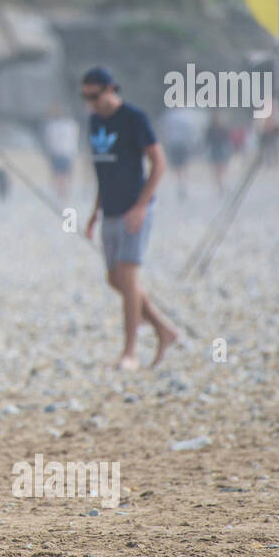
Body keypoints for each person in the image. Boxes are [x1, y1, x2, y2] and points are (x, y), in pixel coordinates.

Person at [81, 67, 179, 370]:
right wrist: (94, 212)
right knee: (115, 279)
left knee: (128, 277)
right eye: (85, 97)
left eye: (95, 96)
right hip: (109, 208)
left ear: (111, 89)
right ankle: (164, 329)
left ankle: (130, 353)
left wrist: (140, 206)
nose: (91, 103)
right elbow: (102, 171)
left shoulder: (134, 118)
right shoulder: (94, 121)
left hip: (134, 209)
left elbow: (159, 163)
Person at [42, 104, 79, 200]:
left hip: (64, 153)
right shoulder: (56, 125)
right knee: (59, 175)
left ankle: (63, 194)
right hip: (61, 153)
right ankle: (60, 194)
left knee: (62, 175)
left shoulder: (68, 125)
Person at [160, 105, 194, 201]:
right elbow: (190, 131)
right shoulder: (187, 115)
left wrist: (166, 142)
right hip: (183, 144)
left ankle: (180, 183)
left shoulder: (169, 115)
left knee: (177, 165)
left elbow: (165, 130)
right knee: (184, 165)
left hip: (173, 143)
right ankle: (183, 183)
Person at [204, 112, 231, 196]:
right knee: (219, 169)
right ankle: (220, 184)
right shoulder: (221, 128)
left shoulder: (211, 129)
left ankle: (220, 184)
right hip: (218, 150)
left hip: (217, 150)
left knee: (218, 169)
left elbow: (207, 140)